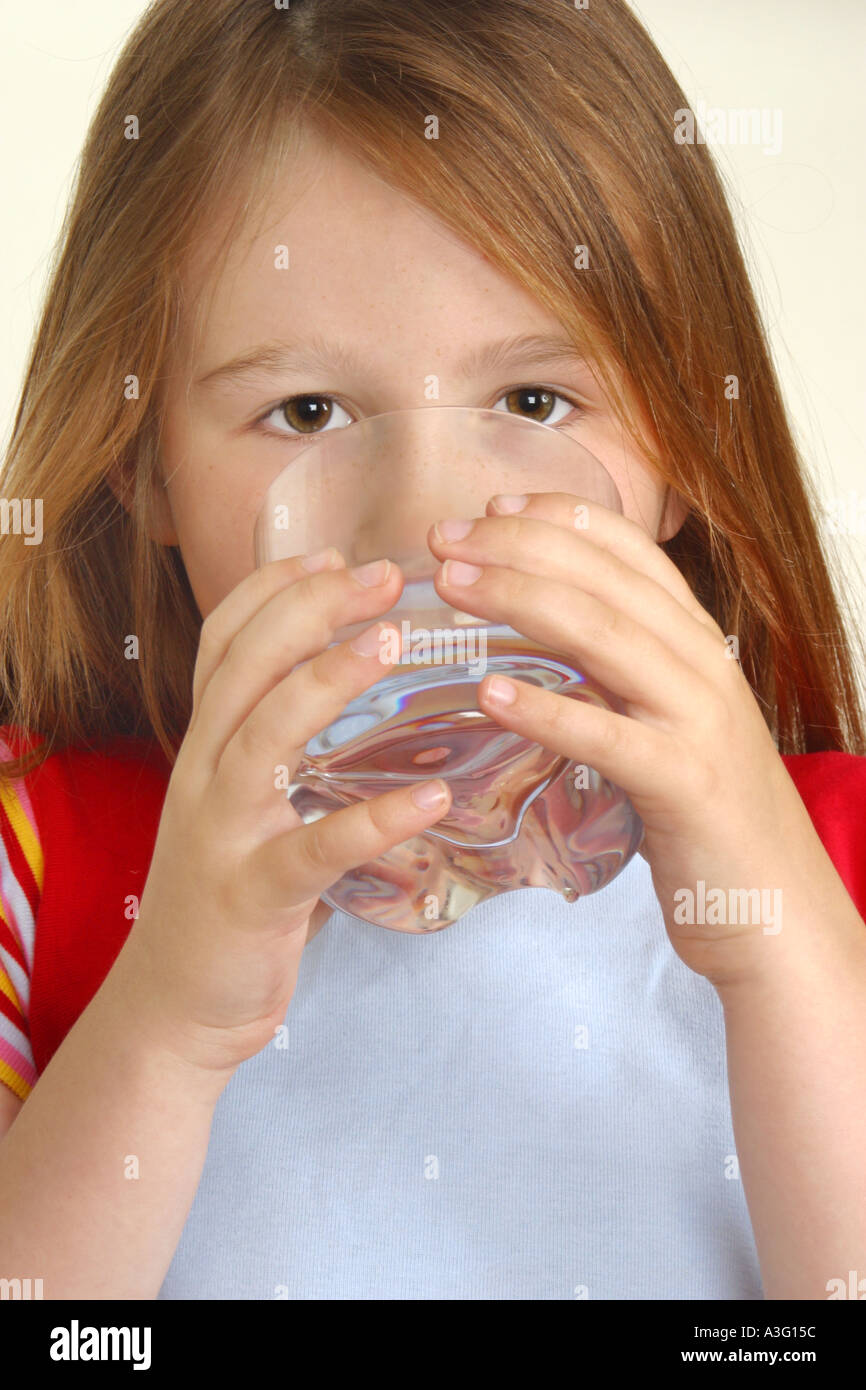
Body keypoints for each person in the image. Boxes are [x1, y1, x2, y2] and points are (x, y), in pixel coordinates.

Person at [0, 0, 864, 1300]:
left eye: (532, 401)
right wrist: (170, 1021)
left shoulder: (834, 867)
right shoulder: (39, 867)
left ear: (683, 452)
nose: (419, 520)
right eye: (305, 409)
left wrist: (774, 942)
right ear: (147, 471)